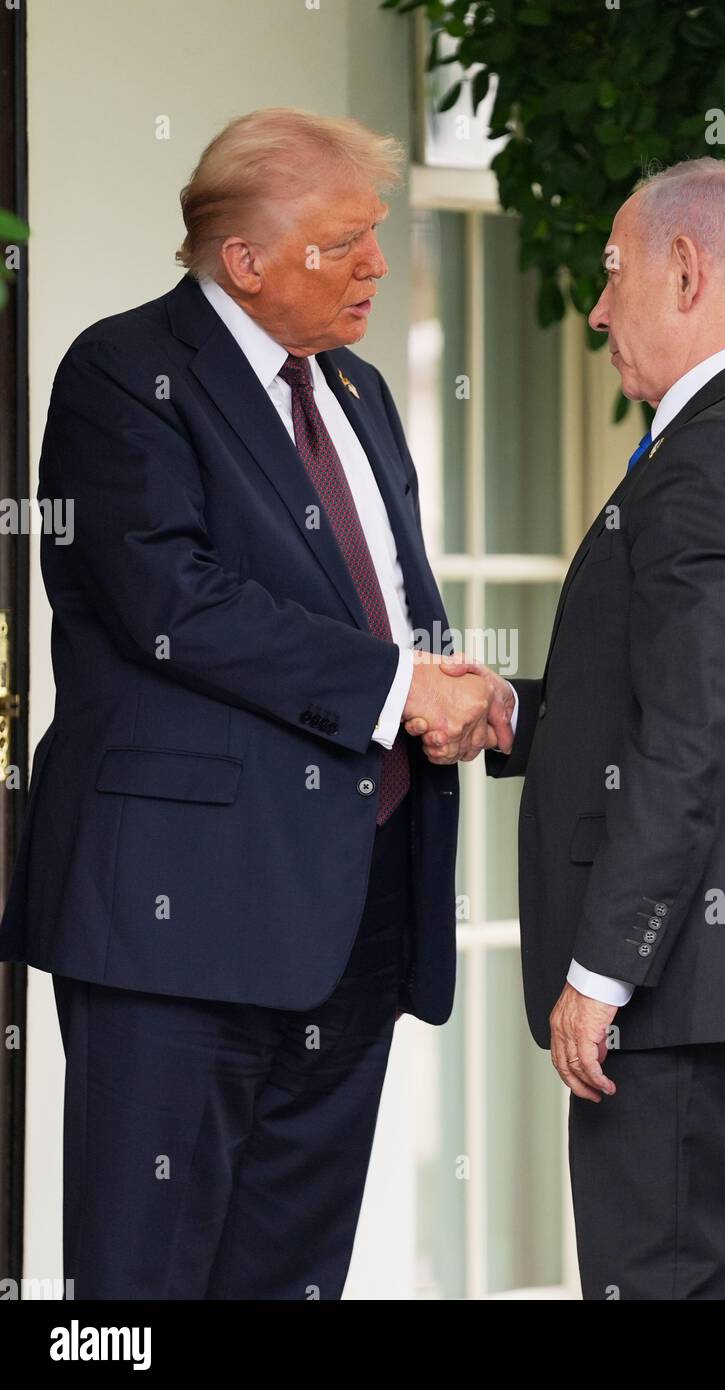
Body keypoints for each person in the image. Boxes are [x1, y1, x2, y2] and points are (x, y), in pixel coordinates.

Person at [0, 107, 510, 1300]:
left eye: (374, 237)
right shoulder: (124, 373)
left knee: (293, 1273)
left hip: (357, 904)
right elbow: (175, 598)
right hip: (183, 917)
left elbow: (392, 602)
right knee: (145, 1281)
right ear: (245, 260)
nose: (378, 265)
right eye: (347, 242)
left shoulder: (365, 392)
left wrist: (460, 692)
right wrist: (400, 689)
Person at [413, 157, 725, 1300]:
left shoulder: (717, 452)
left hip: (688, 980)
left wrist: (602, 968)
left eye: (611, 272)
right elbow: (713, 696)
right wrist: (512, 712)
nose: (593, 306)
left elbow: (689, 738)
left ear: (685, 270)